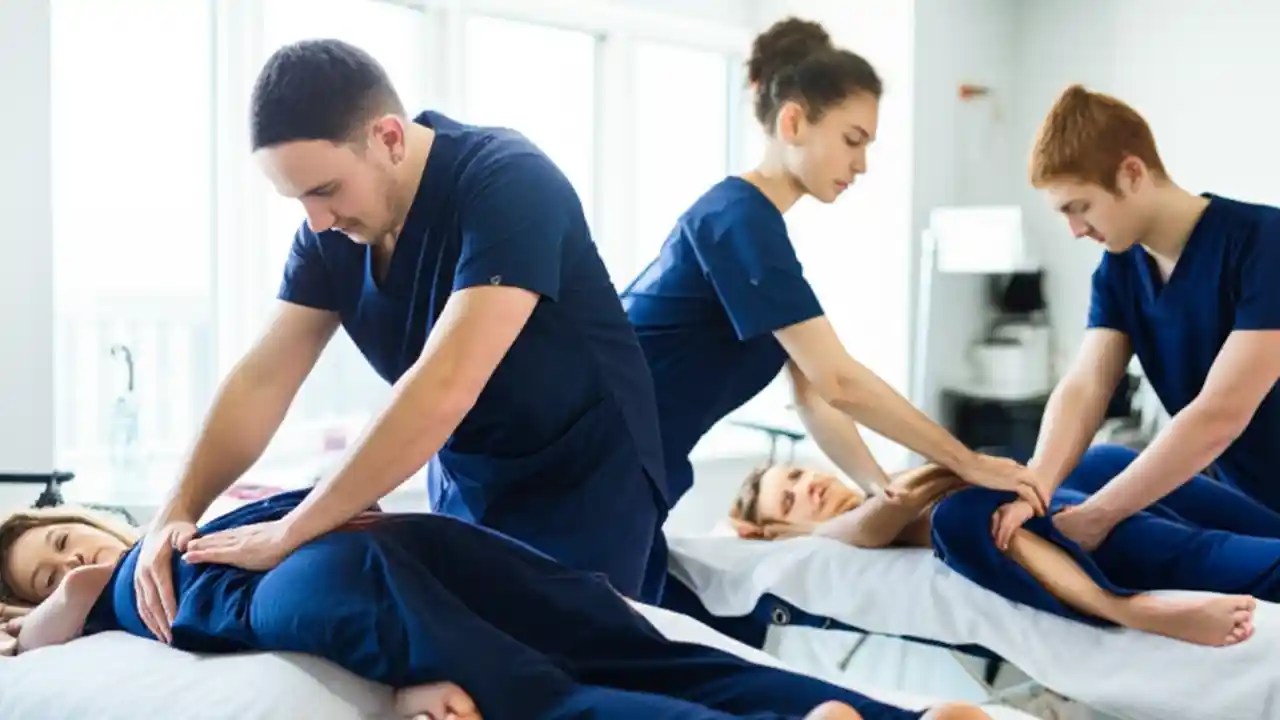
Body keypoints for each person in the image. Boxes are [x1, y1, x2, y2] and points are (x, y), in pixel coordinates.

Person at [132, 38, 673, 645]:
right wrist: (175, 510)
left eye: (325, 190)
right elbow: (263, 378)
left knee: (570, 666)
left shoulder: (509, 182)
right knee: (462, 663)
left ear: (389, 137)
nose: (316, 220)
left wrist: (292, 530)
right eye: (298, 199)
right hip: (470, 476)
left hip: (585, 482)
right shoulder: (329, 235)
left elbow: (445, 385)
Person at [0, 498, 993, 720]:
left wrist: (70, 595)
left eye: (62, 539)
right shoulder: (148, 568)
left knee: (561, 696)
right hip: (380, 551)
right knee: (626, 656)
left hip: (369, 554)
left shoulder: (144, 559)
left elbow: (80, 596)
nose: (72, 565)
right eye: (43, 576)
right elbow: (63, 614)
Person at [620, 17, 1045, 515]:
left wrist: (879, 488)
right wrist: (966, 461)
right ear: (793, 123)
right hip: (601, 457)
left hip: (639, 469)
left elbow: (815, 396)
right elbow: (838, 381)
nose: (862, 164)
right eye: (852, 139)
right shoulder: (737, 220)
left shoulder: (754, 228)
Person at [993, 84, 1280, 552]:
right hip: (1245, 501)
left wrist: (1098, 516)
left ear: (1131, 174)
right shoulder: (1121, 269)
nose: (1075, 230)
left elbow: (1221, 414)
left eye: (1080, 208)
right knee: (1087, 472)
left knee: (1102, 490)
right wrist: (1034, 487)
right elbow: (1086, 385)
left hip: (1267, 505)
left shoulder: (1265, 241)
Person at [729, 444, 1268, 647]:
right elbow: (883, 517)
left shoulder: (880, 478)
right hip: (1049, 529)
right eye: (789, 500)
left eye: (797, 474)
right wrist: (964, 467)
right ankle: (1136, 610)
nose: (807, 487)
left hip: (1061, 491)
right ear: (781, 532)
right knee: (959, 516)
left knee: (1102, 457)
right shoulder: (836, 536)